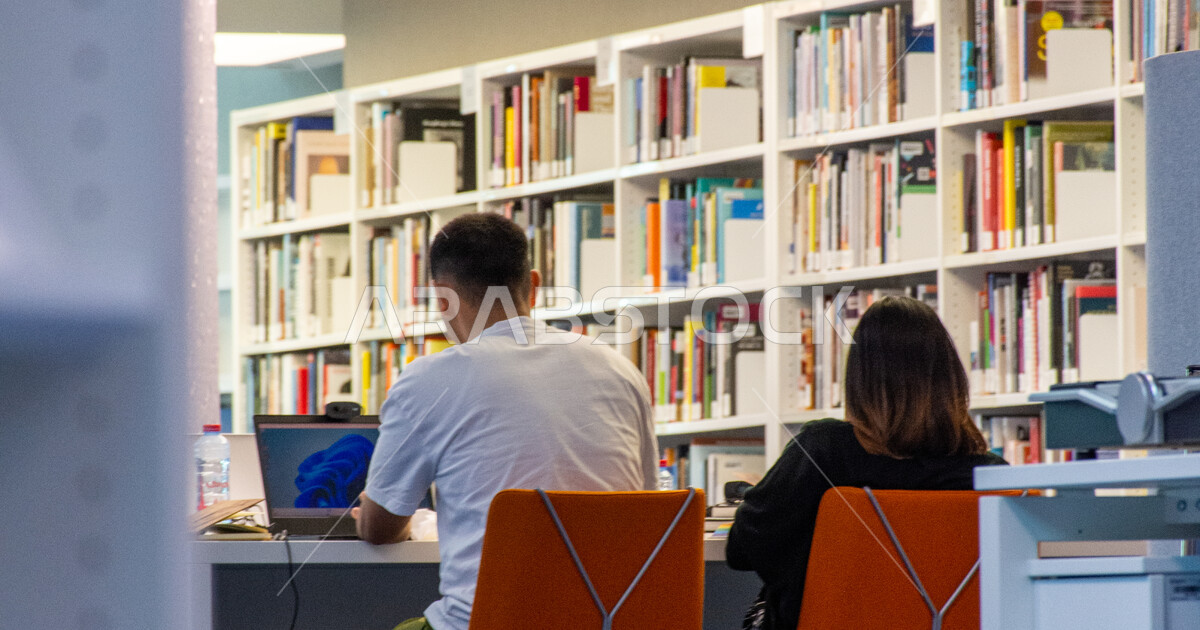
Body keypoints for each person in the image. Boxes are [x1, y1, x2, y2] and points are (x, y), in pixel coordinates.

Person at [352, 213, 658, 630]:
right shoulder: (621, 371)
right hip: (613, 621)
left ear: (442, 298)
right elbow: (646, 507)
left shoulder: (428, 379)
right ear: (533, 284)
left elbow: (378, 529)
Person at [725, 296, 1007, 630]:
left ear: (859, 380)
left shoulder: (823, 453)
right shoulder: (990, 478)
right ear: (952, 379)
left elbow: (741, 549)